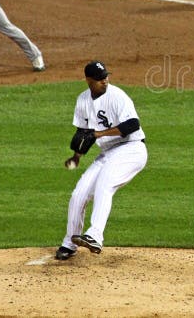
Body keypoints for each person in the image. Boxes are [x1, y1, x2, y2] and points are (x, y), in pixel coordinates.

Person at [55, 61, 148, 260]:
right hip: (107, 154)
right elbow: (83, 133)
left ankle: (95, 235)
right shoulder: (82, 100)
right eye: (99, 79)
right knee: (78, 194)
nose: (104, 81)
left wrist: (99, 134)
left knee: (104, 184)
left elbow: (132, 124)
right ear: (89, 80)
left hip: (131, 149)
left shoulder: (117, 96)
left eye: (106, 76)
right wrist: (77, 156)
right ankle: (69, 243)